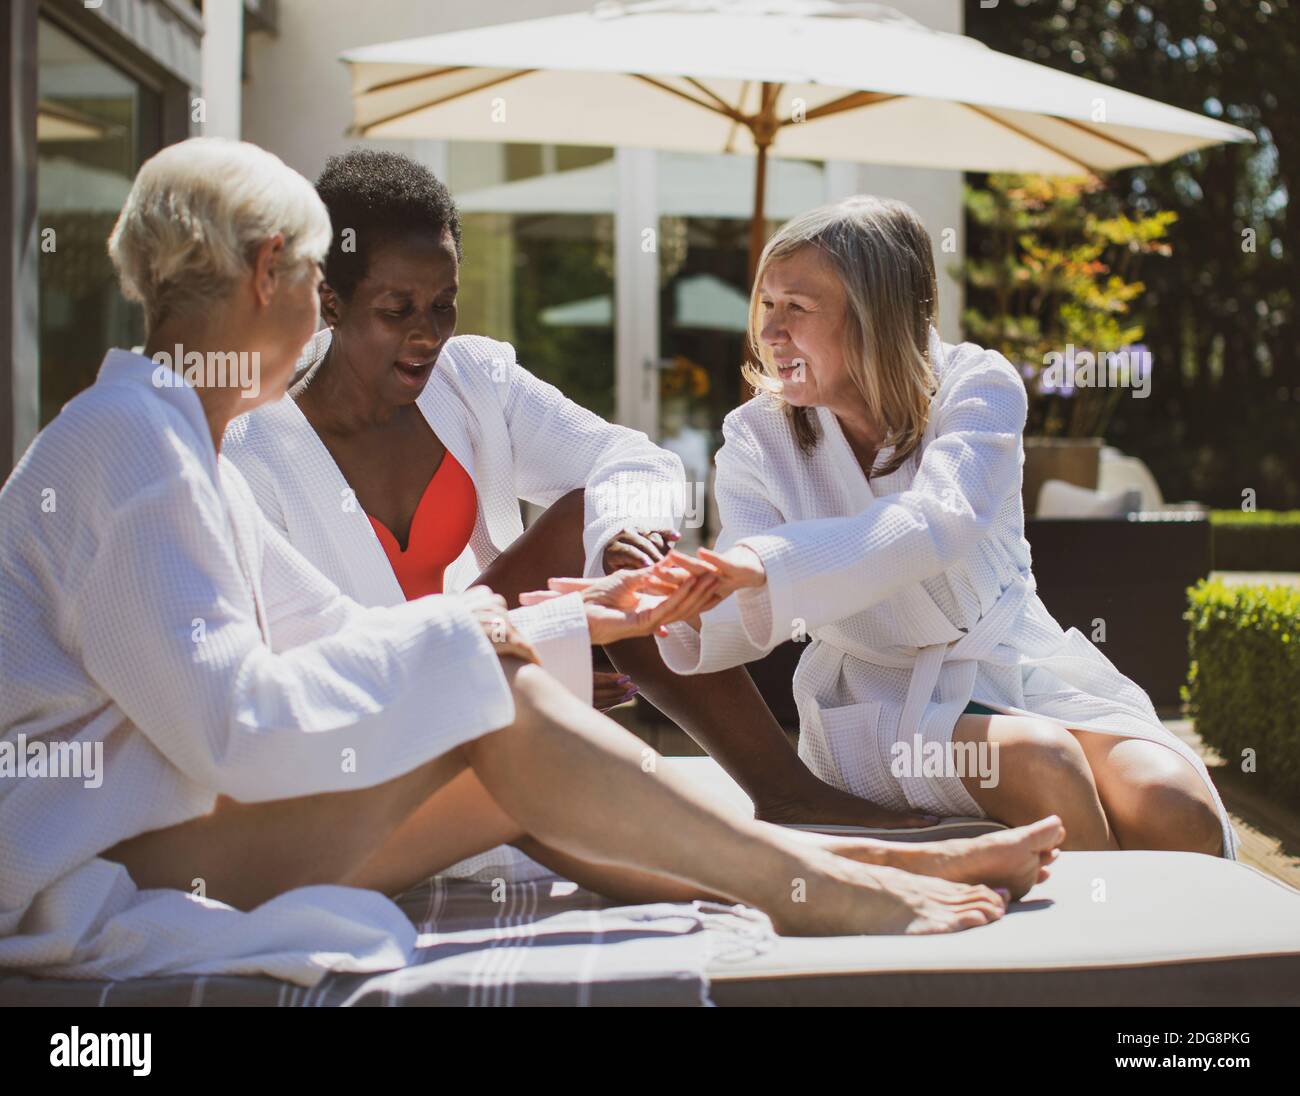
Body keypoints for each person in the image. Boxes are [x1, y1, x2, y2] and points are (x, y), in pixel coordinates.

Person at [0, 141, 1062, 985]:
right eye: (326, 283)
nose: (319, 314)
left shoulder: (180, 442)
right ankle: (826, 883)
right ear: (273, 270)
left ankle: (845, 866)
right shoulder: (134, 446)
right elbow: (236, 728)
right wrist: (482, 644)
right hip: (98, 867)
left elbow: (331, 632)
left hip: (162, 835)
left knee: (496, 702)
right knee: (489, 695)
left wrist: (580, 617)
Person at [224, 148, 942, 832]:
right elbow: (311, 659)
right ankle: (784, 804)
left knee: (612, 528)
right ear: (330, 300)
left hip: (497, 680)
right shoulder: (254, 450)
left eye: (442, 304)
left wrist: (602, 570)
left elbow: (635, 460)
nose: (427, 335)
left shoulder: (473, 382)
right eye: (396, 309)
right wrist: (539, 645)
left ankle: (785, 791)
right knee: (594, 554)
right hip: (376, 729)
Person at [641, 195, 1234, 858]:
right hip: (875, 703)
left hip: (1019, 665)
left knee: (1175, 807)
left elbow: (939, 521)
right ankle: (1094, 957)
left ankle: (1187, 955)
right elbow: (747, 616)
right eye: (767, 306)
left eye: (798, 309)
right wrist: (676, 604)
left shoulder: (976, 386)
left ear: (876, 316)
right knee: (1045, 764)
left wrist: (762, 564)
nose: (772, 334)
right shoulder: (757, 437)